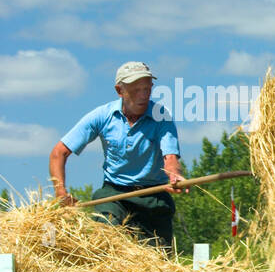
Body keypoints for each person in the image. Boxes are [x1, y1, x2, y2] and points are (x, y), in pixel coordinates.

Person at [49, 61, 185, 249]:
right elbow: (59, 153)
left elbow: (170, 158)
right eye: (136, 90)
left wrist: (173, 174)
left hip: (153, 194)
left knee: (159, 259)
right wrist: (61, 192)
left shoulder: (161, 115)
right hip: (114, 193)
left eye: (147, 89)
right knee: (105, 241)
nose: (143, 95)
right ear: (119, 91)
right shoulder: (102, 116)